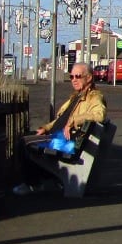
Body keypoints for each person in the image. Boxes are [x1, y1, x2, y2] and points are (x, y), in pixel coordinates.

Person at [16, 62, 108, 194]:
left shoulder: (94, 97)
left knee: (24, 143)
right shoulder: (76, 96)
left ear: (89, 78)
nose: (74, 80)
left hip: (66, 142)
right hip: (56, 135)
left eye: (78, 76)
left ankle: (33, 184)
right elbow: (60, 120)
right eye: (71, 77)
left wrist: (75, 120)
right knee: (28, 137)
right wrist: (46, 128)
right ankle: (43, 179)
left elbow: (100, 115)